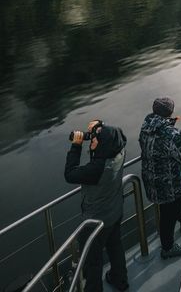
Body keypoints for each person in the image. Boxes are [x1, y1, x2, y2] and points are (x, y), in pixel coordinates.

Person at [65, 120, 129, 292]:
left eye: (94, 140)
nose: (91, 141)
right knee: (115, 247)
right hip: (115, 212)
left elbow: (70, 175)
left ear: (103, 145)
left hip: (95, 222)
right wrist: (99, 126)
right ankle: (120, 280)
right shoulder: (120, 150)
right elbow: (118, 134)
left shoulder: (98, 168)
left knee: (93, 262)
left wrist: (76, 146)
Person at [139, 97, 181, 259]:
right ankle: (167, 248)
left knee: (169, 209)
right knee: (168, 214)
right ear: (170, 112)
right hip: (171, 183)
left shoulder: (144, 128)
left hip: (151, 180)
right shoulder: (173, 134)